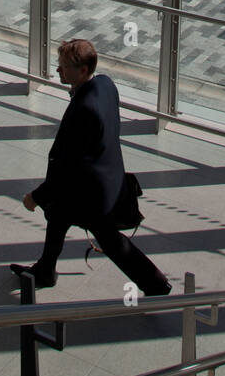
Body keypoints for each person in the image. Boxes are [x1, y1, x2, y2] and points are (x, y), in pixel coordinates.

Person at [10, 38, 171, 295]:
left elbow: (68, 168)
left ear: (82, 71)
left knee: (108, 240)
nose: (58, 70)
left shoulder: (84, 109)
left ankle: (156, 284)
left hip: (91, 193)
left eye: (63, 66)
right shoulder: (105, 85)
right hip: (106, 178)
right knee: (59, 215)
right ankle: (46, 269)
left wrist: (35, 197)